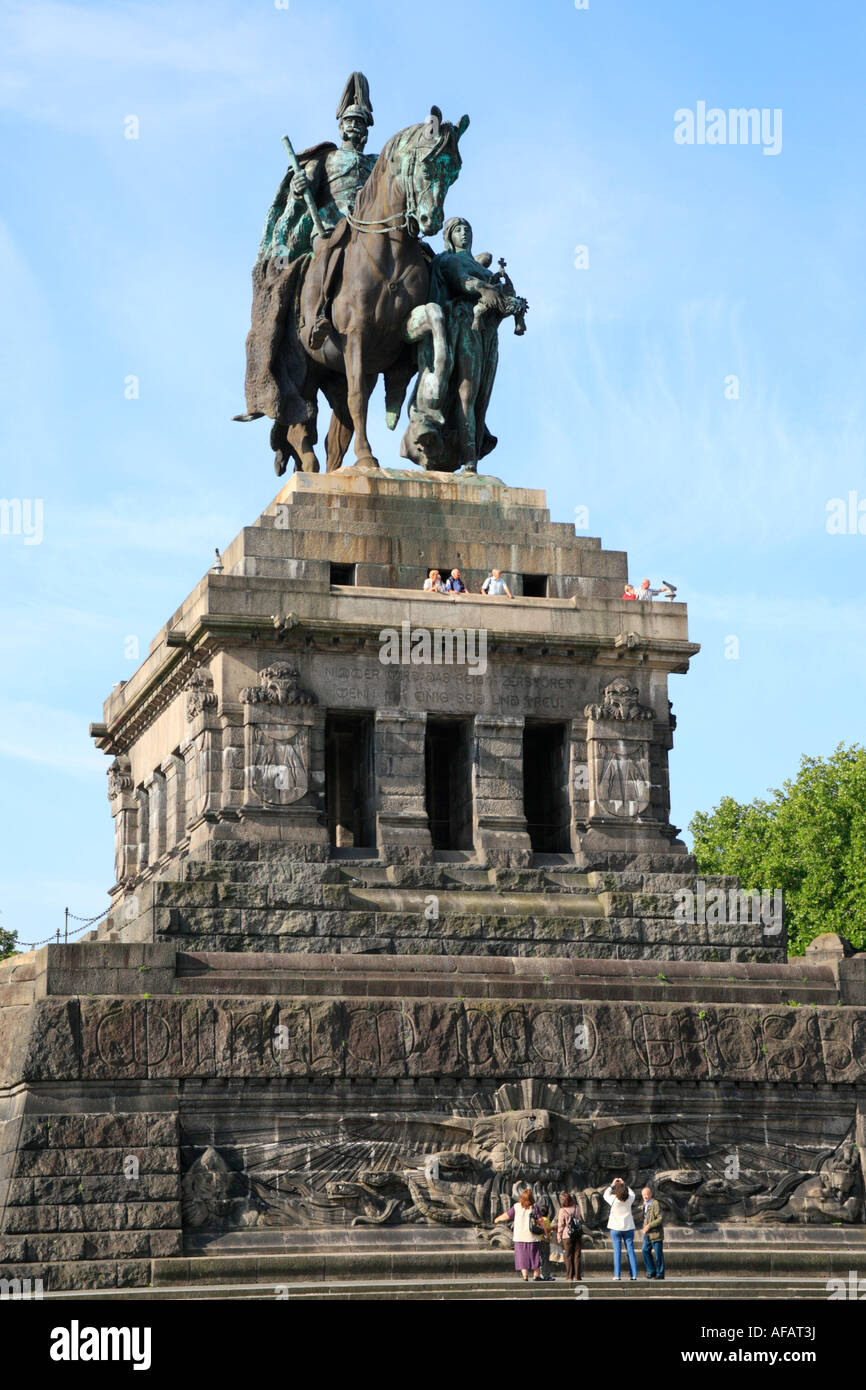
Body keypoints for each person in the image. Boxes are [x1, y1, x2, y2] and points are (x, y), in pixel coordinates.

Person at [494, 1187, 543, 1281]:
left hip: (520, 1236)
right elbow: (540, 1220)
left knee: (522, 1256)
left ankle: (525, 1275)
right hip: (533, 1237)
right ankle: (536, 1275)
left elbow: (507, 1215)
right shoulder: (535, 1207)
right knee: (535, 1256)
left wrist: (498, 1218)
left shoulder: (516, 1206)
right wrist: (544, 1230)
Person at [604, 1177, 638, 1280]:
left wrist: (612, 1184)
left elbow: (605, 1194)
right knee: (631, 1251)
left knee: (617, 1252)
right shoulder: (629, 1199)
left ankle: (617, 1275)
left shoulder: (613, 1199)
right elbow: (633, 1194)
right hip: (628, 1227)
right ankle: (634, 1274)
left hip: (615, 1228)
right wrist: (625, 1184)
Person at [555, 1190, 583, 1281]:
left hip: (567, 1235)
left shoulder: (562, 1210)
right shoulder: (577, 1208)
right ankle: (578, 1276)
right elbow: (579, 1219)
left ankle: (569, 1276)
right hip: (577, 1234)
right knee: (577, 1255)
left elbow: (560, 1225)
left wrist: (558, 1236)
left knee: (568, 1255)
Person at [641, 1185, 665, 1280]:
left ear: (650, 1194)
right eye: (643, 1195)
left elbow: (660, 1218)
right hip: (647, 1235)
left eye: (647, 1194)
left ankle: (660, 1273)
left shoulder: (655, 1204)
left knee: (658, 1254)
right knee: (645, 1251)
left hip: (656, 1234)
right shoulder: (644, 1204)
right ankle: (651, 1271)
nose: (645, 1196)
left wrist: (649, 1226)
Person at [536, 1200, 553, 1280]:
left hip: (539, 1240)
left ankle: (541, 1273)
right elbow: (546, 1230)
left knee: (541, 1258)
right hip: (545, 1241)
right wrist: (553, 1228)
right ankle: (546, 1275)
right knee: (545, 1259)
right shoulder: (546, 1220)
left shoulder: (539, 1220)